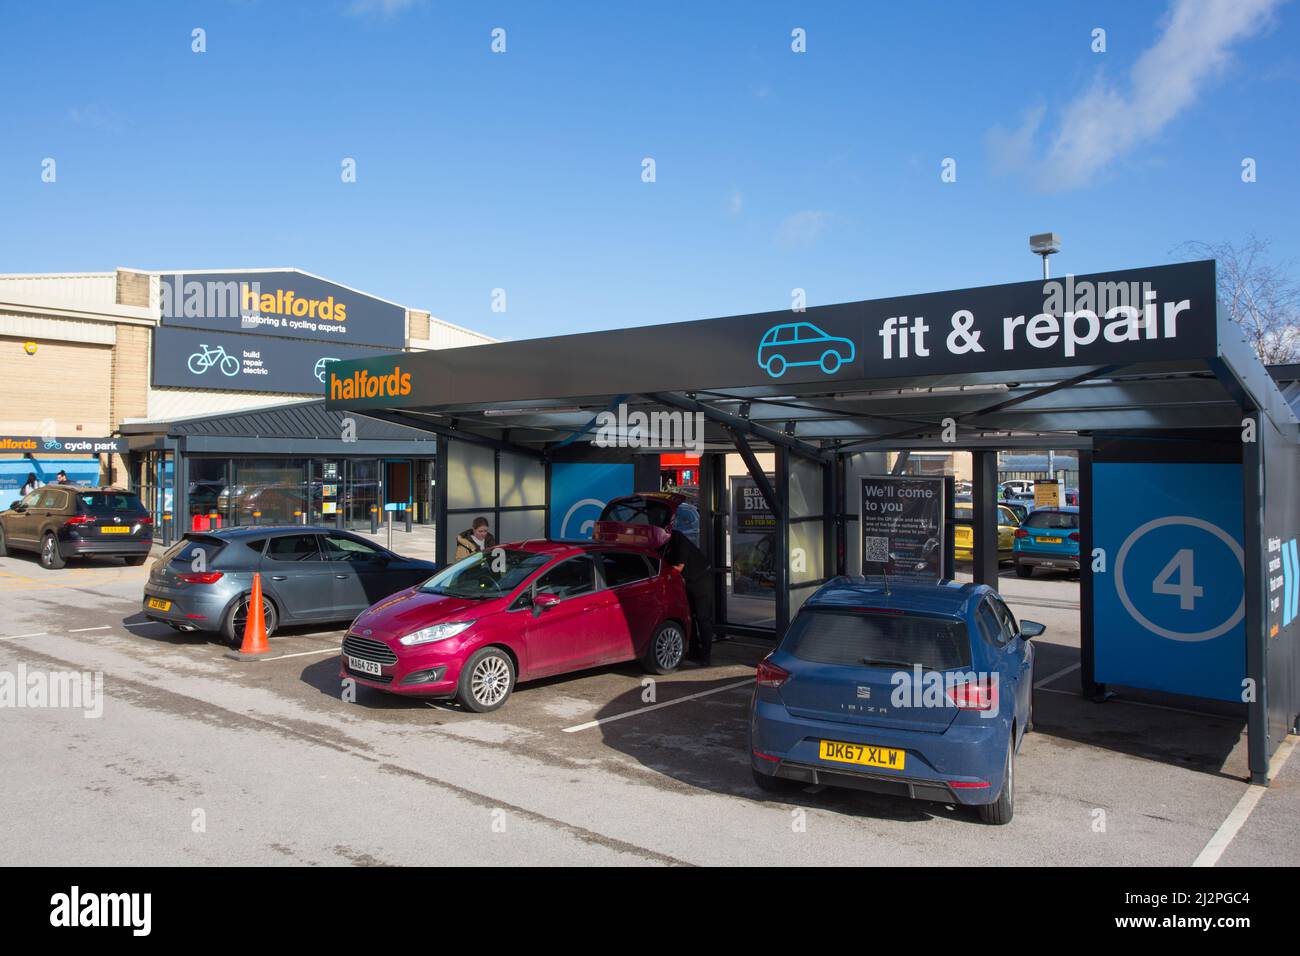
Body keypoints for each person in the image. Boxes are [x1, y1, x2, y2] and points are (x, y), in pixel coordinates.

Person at [665, 528, 714, 664]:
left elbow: (679, 567)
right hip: (686, 581)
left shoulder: (679, 539)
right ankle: (693, 651)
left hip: (701, 578)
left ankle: (706, 656)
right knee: (689, 617)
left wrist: (662, 577)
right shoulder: (663, 544)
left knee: (702, 618)